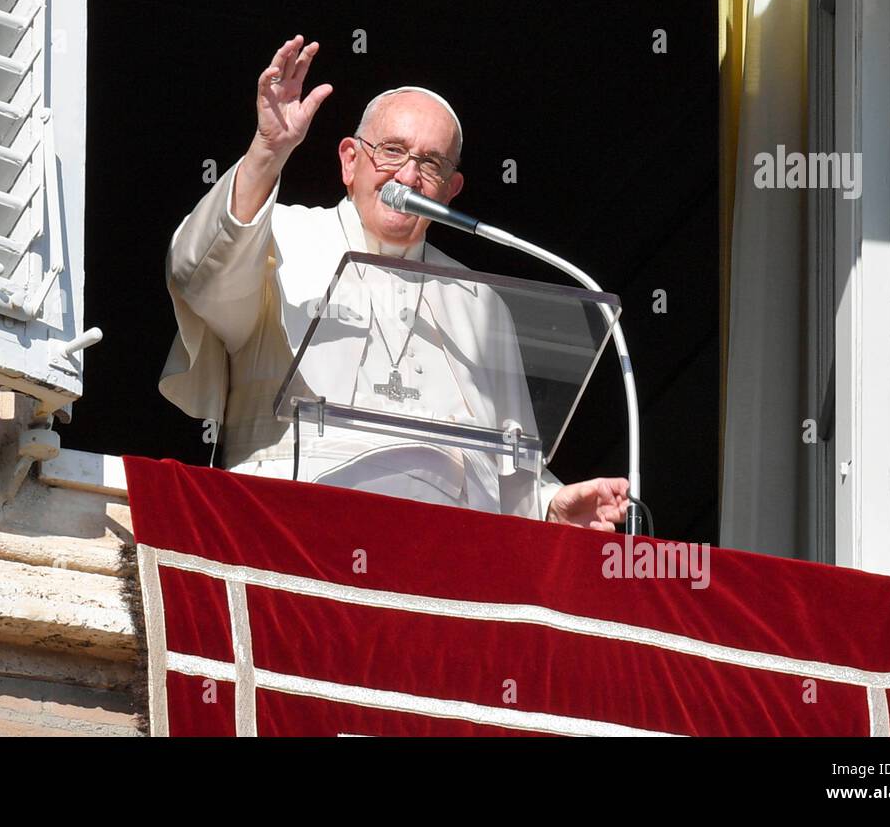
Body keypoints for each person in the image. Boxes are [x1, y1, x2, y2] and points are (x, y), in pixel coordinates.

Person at [159, 34, 629, 530]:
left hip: (442, 557)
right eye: (392, 151)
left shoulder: (478, 301)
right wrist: (266, 152)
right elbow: (196, 275)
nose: (407, 177)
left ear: (451, 190)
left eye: (430, 164)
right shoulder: (280, 235)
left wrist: (550, 506)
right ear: (349, 160)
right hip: (290, 528)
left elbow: (506, 467)